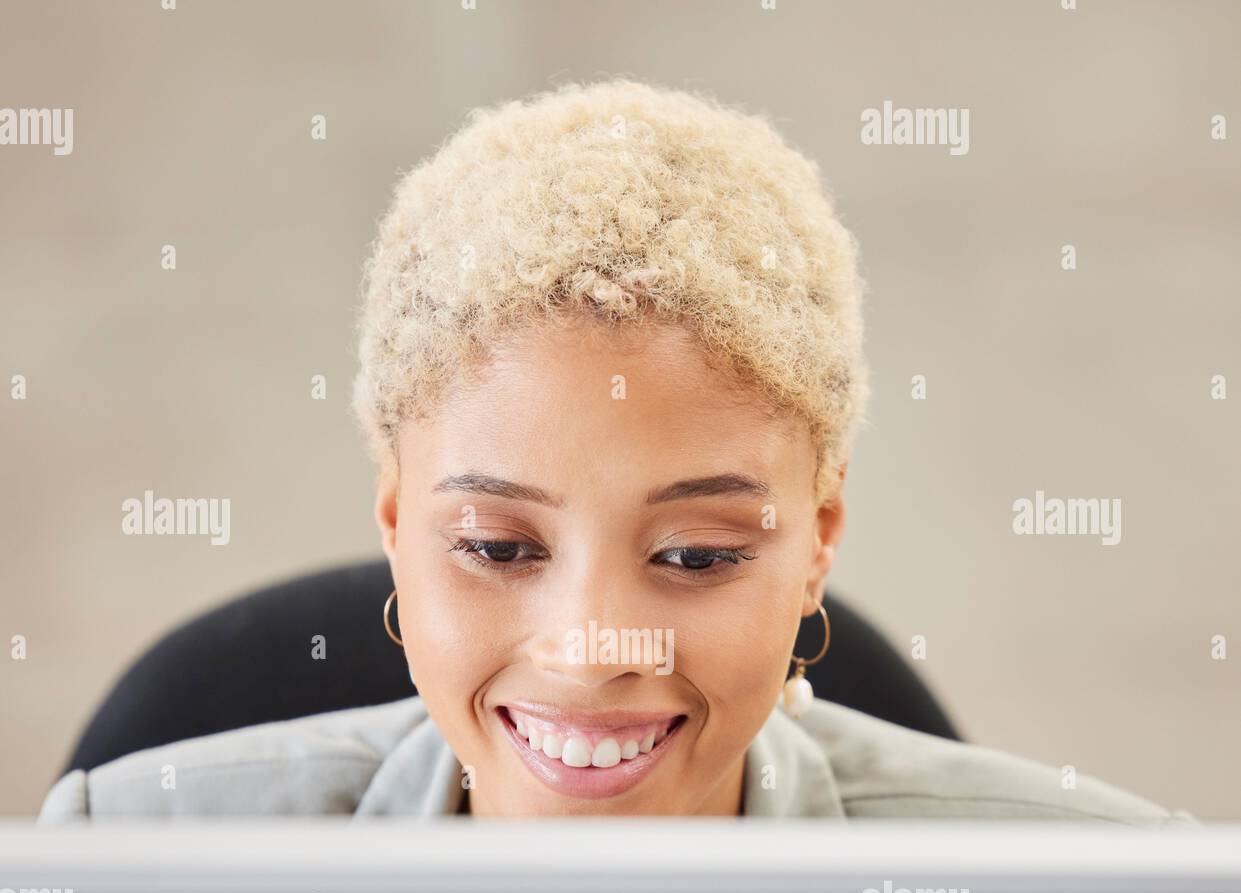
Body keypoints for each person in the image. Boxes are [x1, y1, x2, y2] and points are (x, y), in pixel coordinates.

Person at [38, 80, 1194, 824]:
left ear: (815, 543)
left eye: (695, 555)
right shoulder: (128, 858)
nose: (591, 653)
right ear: (394, 525)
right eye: (494, 544)